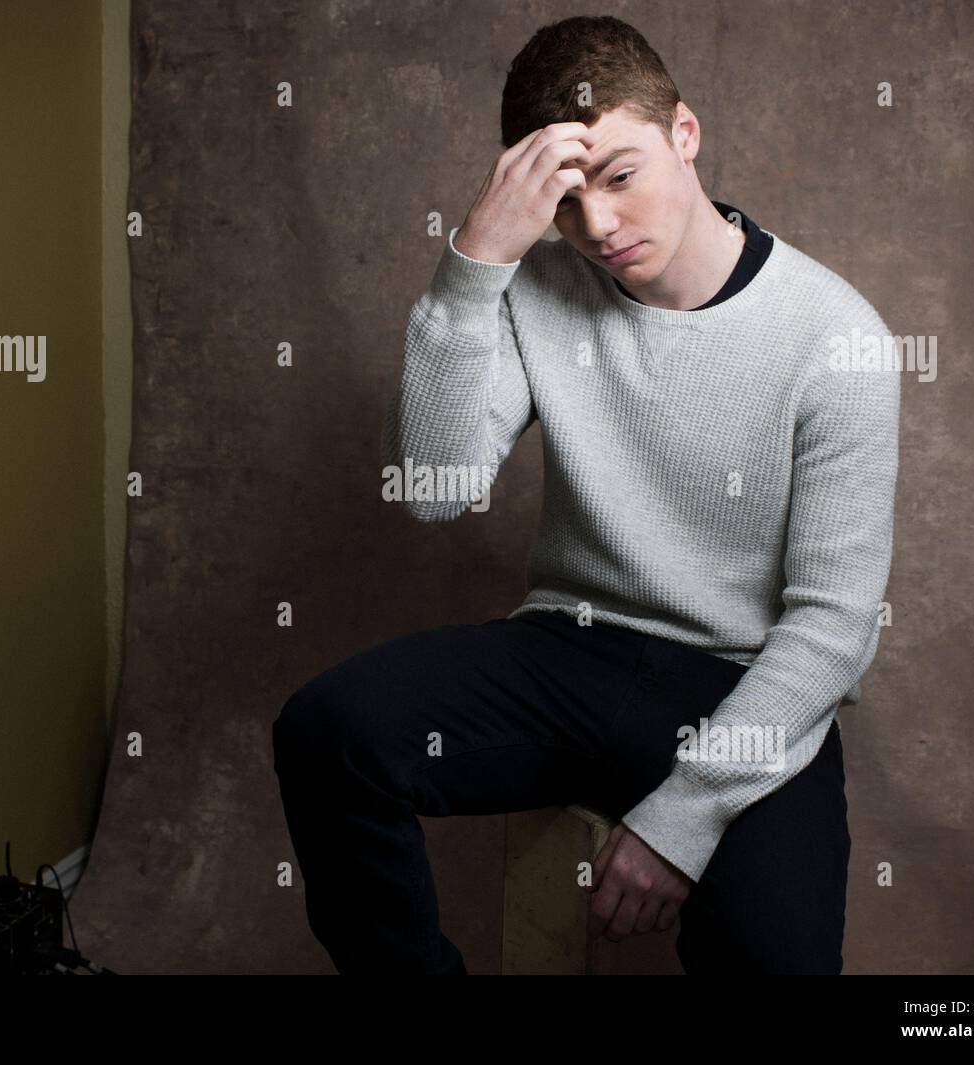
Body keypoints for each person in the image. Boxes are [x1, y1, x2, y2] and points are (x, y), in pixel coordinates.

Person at [273, 13, 900, 974]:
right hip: (571, 646)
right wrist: (475, 260)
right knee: (329, 734)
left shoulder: (836, 337)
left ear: (684, 135)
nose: (597, 226)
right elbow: (439, 489)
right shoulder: (536, 287)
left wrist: (679, 823)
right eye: (565, 201)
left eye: (619, 177)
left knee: (778, 958)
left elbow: (832, 631)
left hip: (749, 685)